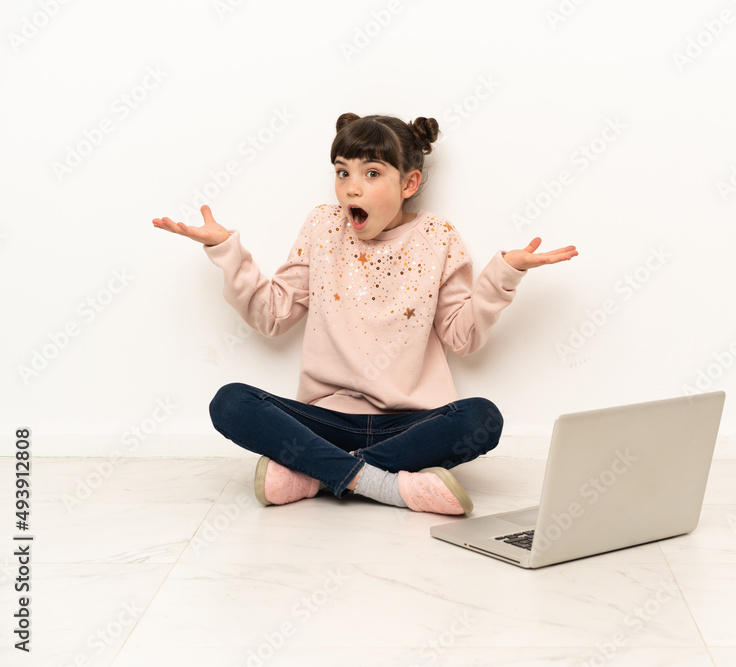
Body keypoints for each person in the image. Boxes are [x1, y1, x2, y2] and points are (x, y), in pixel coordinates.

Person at [152, 112, 577, 515]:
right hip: (326, 419)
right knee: (231, 403)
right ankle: (385, 483)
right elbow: (273, 315)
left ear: (409, 183)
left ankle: (316, 476)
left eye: (371, 174)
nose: (352, 188)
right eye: (343, 172)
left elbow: (462, 338)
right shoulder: (322, 226)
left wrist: (505, 274)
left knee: (482, 418)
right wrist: (227, 250)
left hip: (411, 426)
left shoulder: (438, 236)